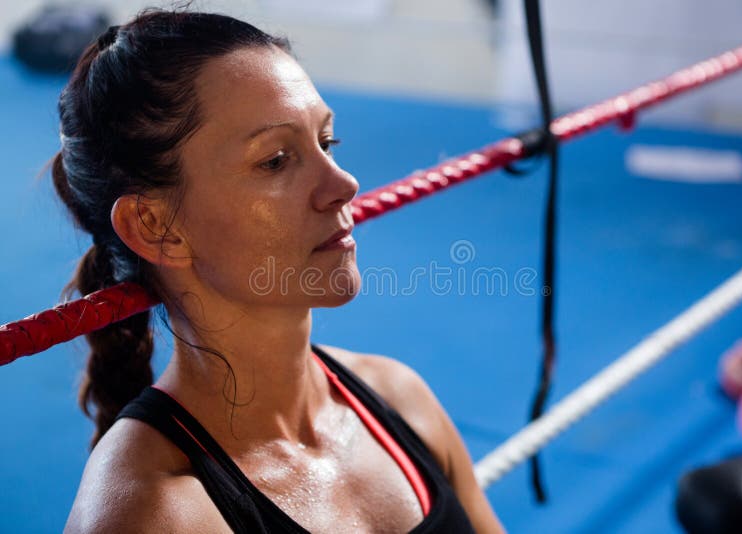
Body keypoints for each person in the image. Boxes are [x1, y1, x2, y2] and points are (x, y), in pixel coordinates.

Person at [56, 9, 503, 533]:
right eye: (275, 160)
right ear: (157, 226)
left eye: (327, 142)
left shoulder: (399, 396)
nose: (345, 184)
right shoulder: (154, 513)